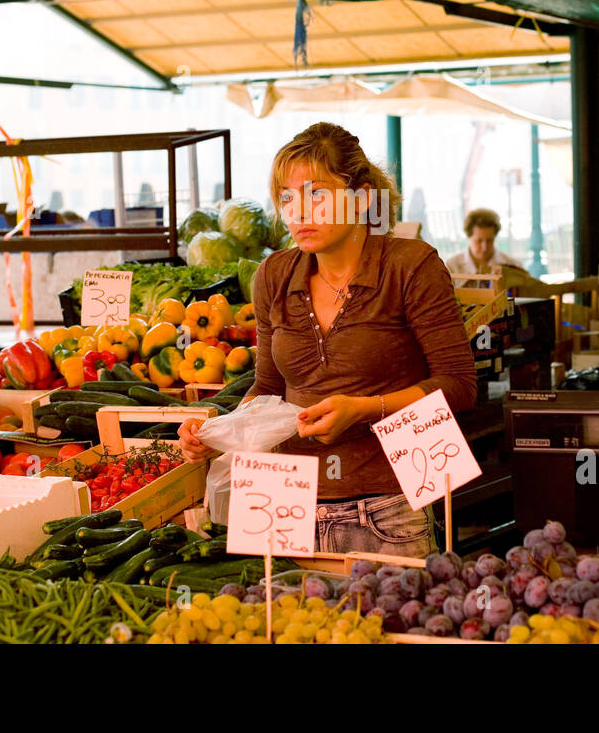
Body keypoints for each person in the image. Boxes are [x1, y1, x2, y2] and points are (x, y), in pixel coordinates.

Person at [177, 122, 476, 557]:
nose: (299, 211)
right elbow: (267, 389)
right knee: (280, 623)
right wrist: (218, 432)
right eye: (286, 197)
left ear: (362, 197)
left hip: (387, 506)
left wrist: (364, 408)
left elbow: (459, 386)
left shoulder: (411, 266)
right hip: (279, 497)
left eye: (315, 193)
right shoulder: (273, 275)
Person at [444, 208, 525, 275]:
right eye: (479, 241)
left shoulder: (514, 266)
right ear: (469, 236)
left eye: (489, 240)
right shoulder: (451, 267)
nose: (484, 248)